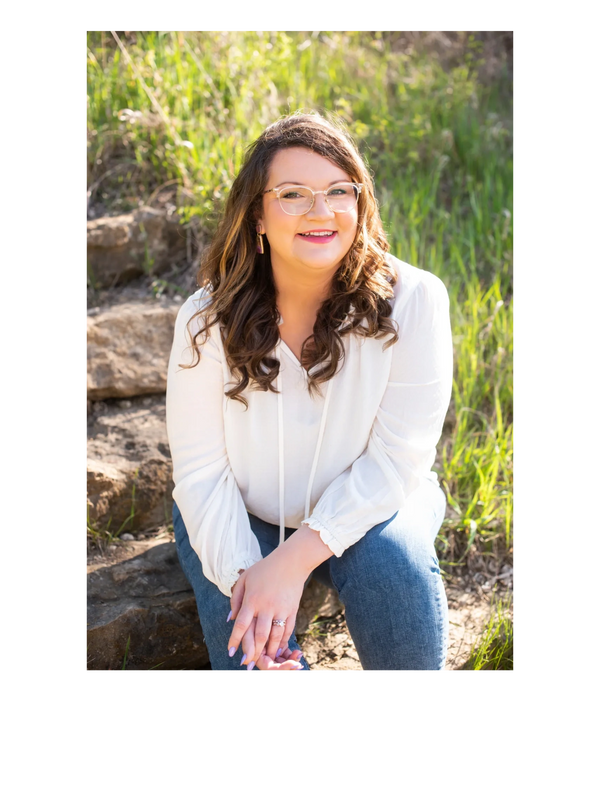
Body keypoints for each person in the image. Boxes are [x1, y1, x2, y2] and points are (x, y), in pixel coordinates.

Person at [166, 112, 453, 673]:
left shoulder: (415, 299)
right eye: (293, 194)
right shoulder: (205, 319)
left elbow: (398, 461)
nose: (320, 212)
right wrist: (252, 586)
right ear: (258, 217)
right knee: (252, 659)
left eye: (337, 192)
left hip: (378, 506)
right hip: (240, 514)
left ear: (359, 204)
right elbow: (202, 477)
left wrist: (291, 563)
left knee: (394, 562)